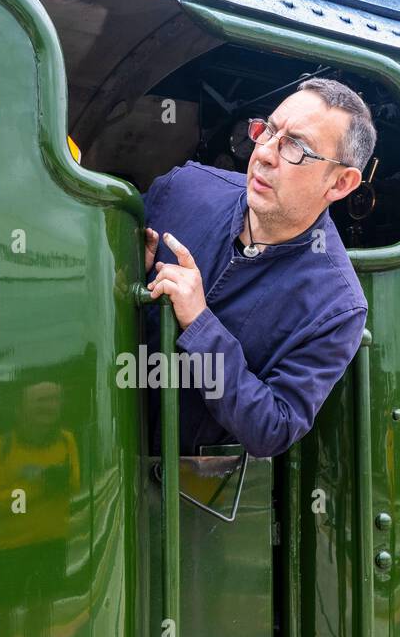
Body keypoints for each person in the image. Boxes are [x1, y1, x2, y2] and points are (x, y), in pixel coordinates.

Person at [142, 77, 373, 459]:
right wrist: (123, 266)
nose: (264, 152)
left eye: (295, 147)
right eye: (267, 130)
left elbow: (274, 427)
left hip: (177, 491)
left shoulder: (337, 306)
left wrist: (200, 324)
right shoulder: (184, 188)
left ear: (340, 183)